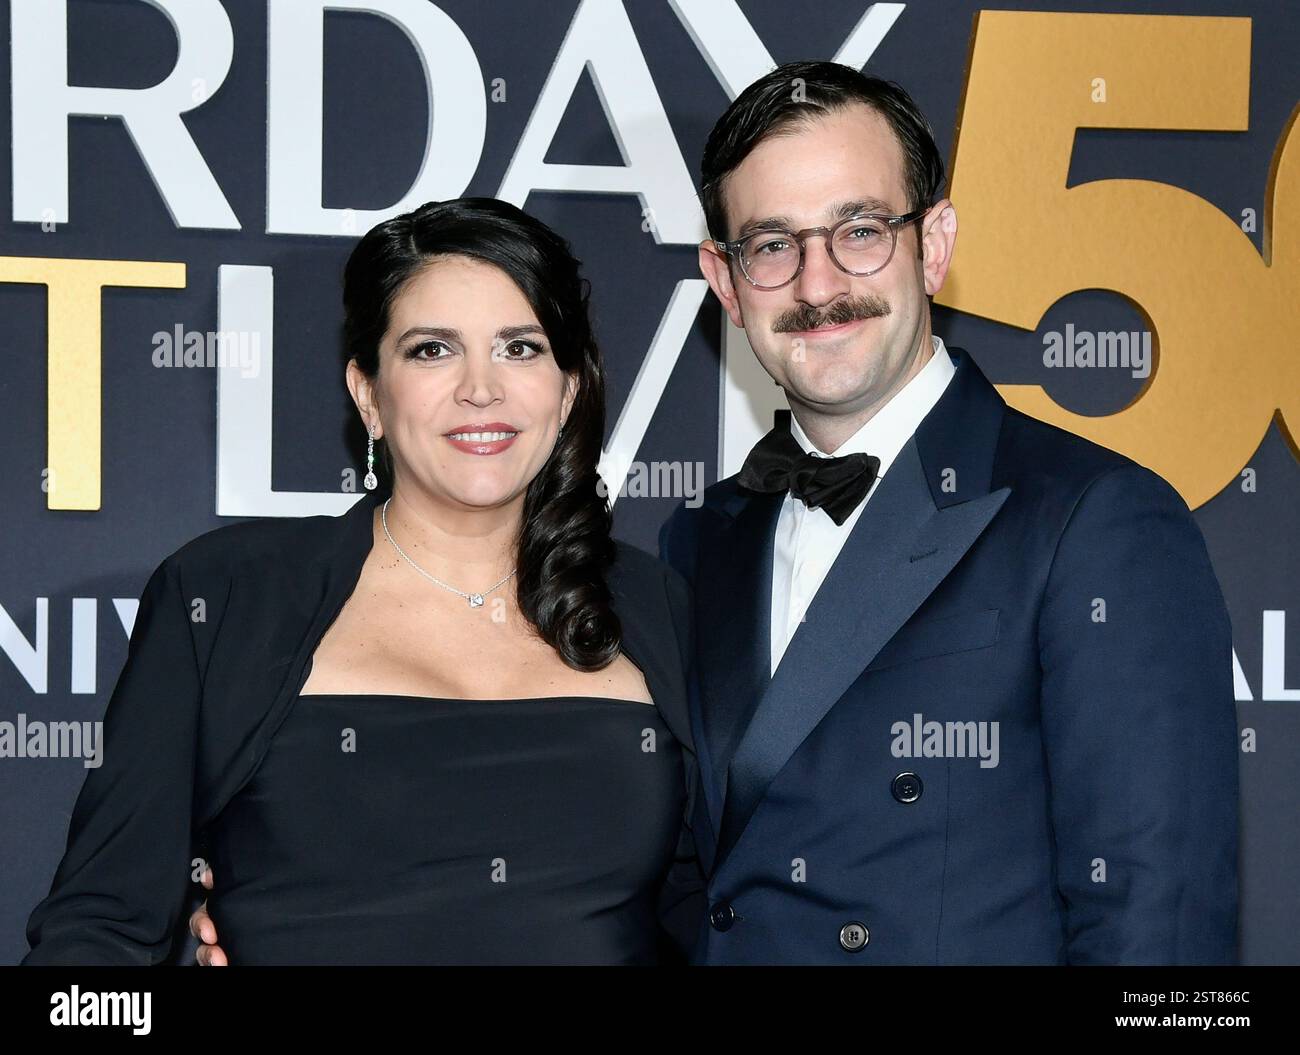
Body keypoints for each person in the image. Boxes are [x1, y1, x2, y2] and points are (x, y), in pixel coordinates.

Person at [656, 61, 1238, 964]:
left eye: (858, 231)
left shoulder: (1096, 519)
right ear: (725, 283)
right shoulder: (698, 539)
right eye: (772, 245)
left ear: (933, 244)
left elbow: (1162, 925)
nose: (817, 286)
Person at [22, 197, 705, 965]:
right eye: (431, 351)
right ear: (368, 394)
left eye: (520, 348)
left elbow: (721, 916)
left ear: (569, 391)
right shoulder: (227, 598)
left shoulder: (657, 609)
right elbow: (92, 943)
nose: (482, 388)